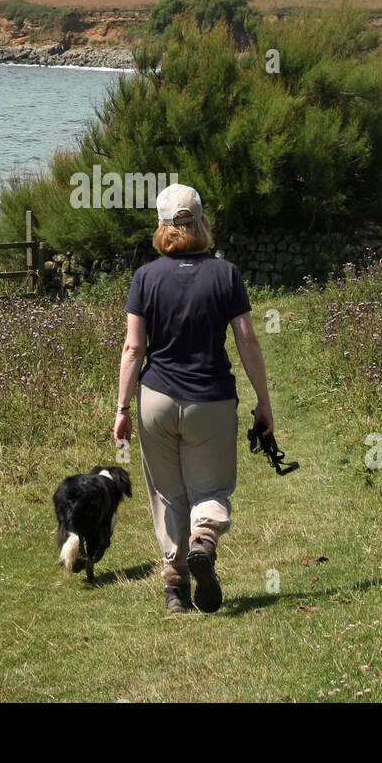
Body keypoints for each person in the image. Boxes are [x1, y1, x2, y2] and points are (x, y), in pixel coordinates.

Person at [113, 184, 273, 614]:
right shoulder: (226, 274)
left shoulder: (145, 277)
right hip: (211, 401)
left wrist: (123, 408)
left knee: (167, 494)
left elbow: (133, 349)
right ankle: (204, 539)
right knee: (212, 487)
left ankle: (175, 588)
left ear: (162, 227)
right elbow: (247, 340)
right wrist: (263, 401)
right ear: (201, 222)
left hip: (157, 399)